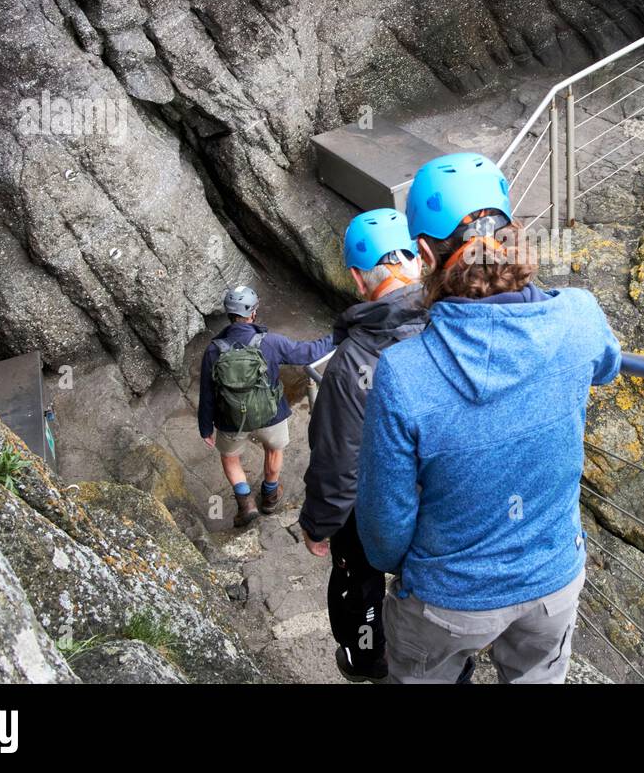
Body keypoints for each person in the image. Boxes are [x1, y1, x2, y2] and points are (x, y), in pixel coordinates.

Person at [357, 152, 622, 684]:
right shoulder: (579, 316)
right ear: (516, 234)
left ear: (426, 254)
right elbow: (608, 366)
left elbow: (383, 536)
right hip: (552, 581)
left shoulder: (403, 372)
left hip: (446, 601)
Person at [299, 209, 429, 683]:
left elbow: (337, 462)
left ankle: (367, 659)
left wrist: (319, 525)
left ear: (357, 278)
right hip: (442, 495)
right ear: (419, 260)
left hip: (372, 507)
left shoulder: (351, 364)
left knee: (360, 579)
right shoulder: (456, 321)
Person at [199, 285, 334, 528]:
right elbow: (308, 353)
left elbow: (207, 392)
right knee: (274, 450)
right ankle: (270, 497)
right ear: (252, 313)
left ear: (229, 313)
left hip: (231, 419)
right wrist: (337, 337)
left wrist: (205, 427)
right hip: (271, 415)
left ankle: (246, 505)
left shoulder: (213, 350)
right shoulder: (270, 342)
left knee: (230, 458)